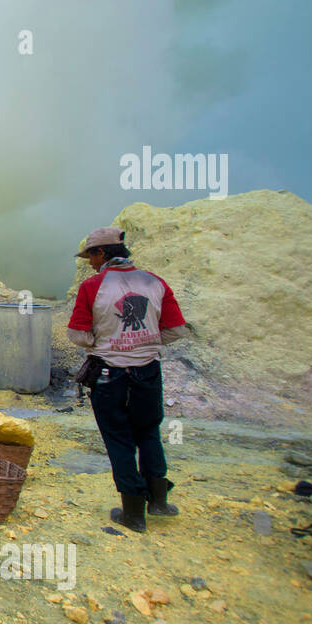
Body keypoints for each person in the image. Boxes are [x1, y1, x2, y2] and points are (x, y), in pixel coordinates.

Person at [68, 227, 189, 534]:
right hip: (148, 372)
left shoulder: (93, 287)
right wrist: (143, 342)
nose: (90, 263)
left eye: (91, 256)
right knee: (148, 432)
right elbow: (176, 330)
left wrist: (111, 342)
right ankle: (159, 502)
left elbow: (78, 335)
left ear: (103, 254)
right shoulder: (155, 282)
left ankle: (133, 514)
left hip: (110, 375)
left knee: (119, 440)